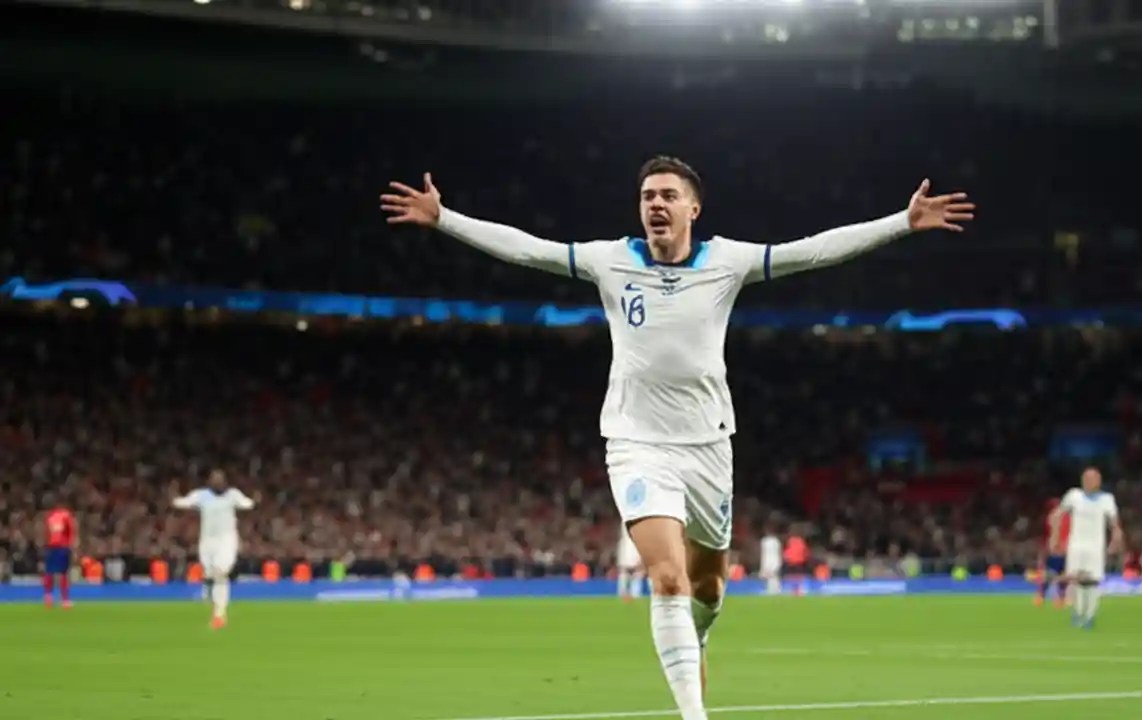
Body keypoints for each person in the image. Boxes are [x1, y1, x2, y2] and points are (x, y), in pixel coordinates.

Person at [380, 157, 973, 720]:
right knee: (667, 577)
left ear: (694, 208)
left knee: (708, 589)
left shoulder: (728, 261)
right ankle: (694, 713)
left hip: (709, 446)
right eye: (646, 196)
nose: (655, 204)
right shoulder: (610, 260)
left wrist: (903, 222)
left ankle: (699, 635)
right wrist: (445, 219)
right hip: (635, 442)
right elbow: (529, 251)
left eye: (668, 195)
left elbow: (813, 252)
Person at [173, 469, 256, 629]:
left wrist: (256, 498)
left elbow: (249, 504)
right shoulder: (201, 495)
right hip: (207, 542)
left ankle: (219, 614)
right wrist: (173, 493)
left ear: (225, 481)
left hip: (227, 541)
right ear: (210, 482)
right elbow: (180, 502)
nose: (218, 482)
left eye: (220, 479)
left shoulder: (233, 495)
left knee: (221, 572)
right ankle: (209, 590)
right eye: (214, 479)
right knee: (210, 574)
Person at [1050, 467, 1123, 630]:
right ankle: (1077, 612)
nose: (1088, 481)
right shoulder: (1073, 496)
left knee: (1092, 581)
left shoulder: (1107, 499)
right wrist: (1054, 537)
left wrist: (1115, 540)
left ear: (1099, 481)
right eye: (1086, 478)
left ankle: (1090, 616)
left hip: (1095, 546)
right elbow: (1057, 515)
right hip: (1076, 544)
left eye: (1092, 478)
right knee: (1076, 579)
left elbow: (1114, 524)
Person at [1036, 498, 1071, 608]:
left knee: (1057, 574)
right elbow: (1052, 534)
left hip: (1059, 550)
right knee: (1055, 574)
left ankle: (1050, 597)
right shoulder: (1057, 517)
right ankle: (1051, 597)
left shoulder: (1058, 517)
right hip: (1059, 550)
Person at [43, 498, 76, 609]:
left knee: (49, 572)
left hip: (51, 547)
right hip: (62, 547)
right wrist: (70, 545)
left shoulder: (49, 516)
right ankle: (65, 600)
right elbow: (70, 531)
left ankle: (48, 597)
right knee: (63, 573)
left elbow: (46, 533)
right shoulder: (66, 515)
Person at [617, 521, 645, 601]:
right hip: (628, 553)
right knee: (625, 574)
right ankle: (625, 594)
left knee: (635, 575)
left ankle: (633, 594)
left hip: (632, 552)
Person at [759, 527, 783, 596]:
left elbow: (778, 553)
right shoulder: (765, 541)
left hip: (772, 561)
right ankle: (772, 589)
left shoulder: (774, 541)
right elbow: (764, 553)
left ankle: (775, 589)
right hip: (770, 561)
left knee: (774, 575)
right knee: (771, 576)